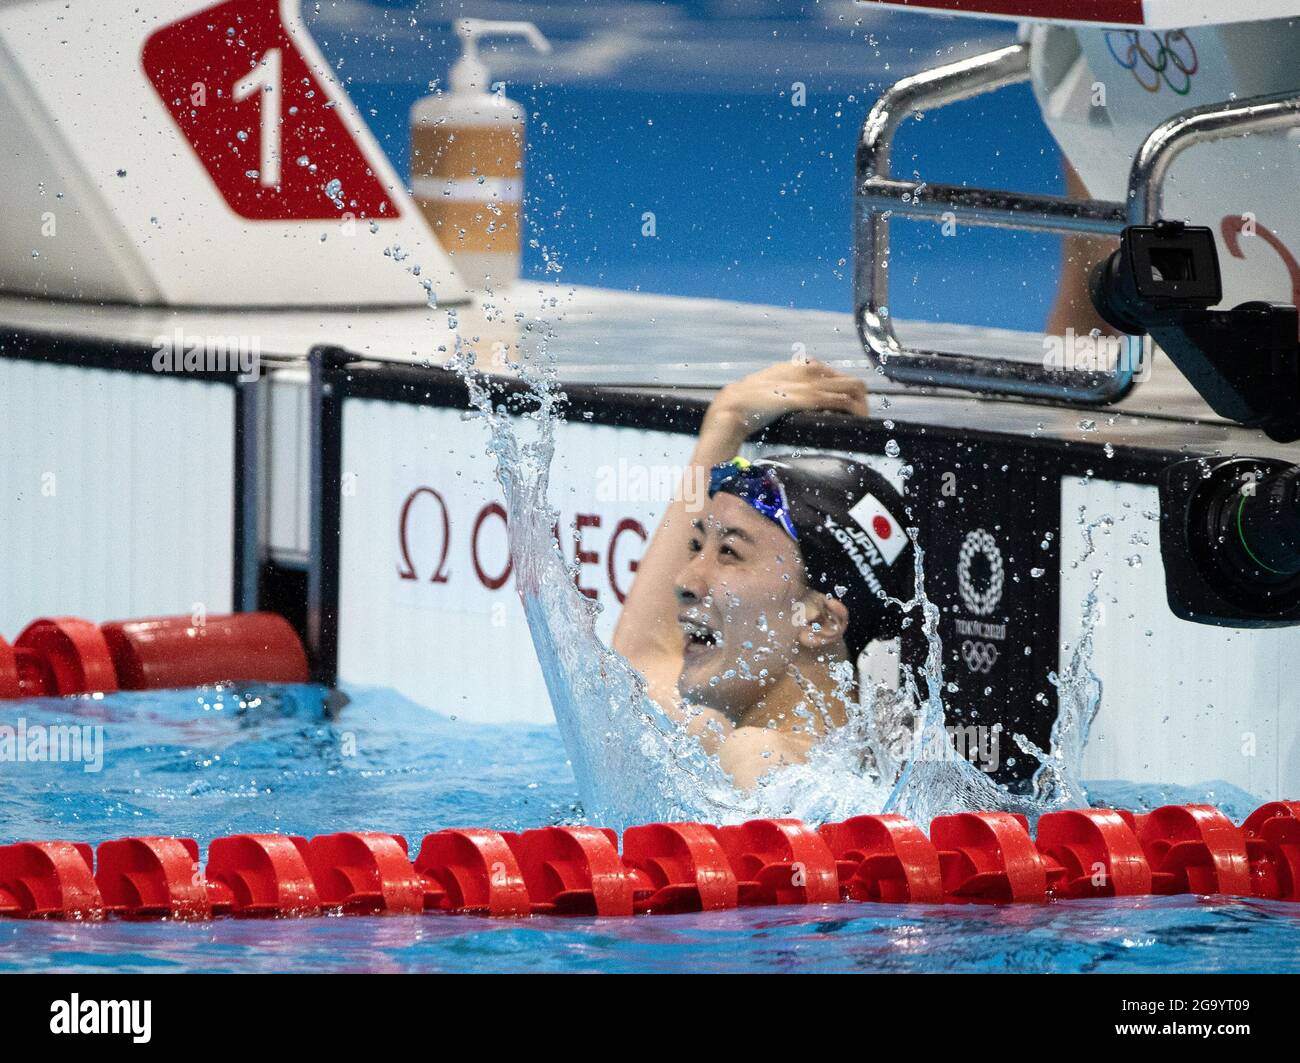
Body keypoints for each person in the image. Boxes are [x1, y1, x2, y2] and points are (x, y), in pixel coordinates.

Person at [612, 359, 914, 789]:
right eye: (699, 547)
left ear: (819, 620)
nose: (684, 582)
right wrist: (727, 421)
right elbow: (636, 663)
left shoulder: (756, 756)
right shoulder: (850, 750)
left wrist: (726, 425)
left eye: (730, 552)